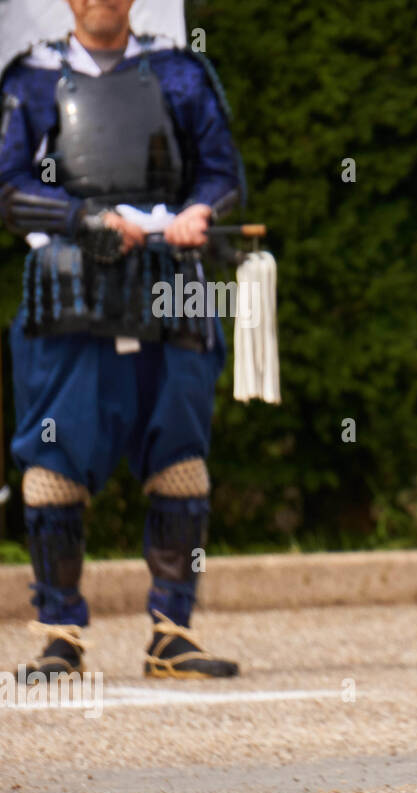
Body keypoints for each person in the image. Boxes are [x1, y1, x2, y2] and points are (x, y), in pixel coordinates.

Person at [0, 0, 244, 680]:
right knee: (51, 463)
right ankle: (59, 634)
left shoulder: (181, 74)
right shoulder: (30, 80)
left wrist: (200, 211)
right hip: (70, 288)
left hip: (174, 282)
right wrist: (84, 217)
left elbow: (223, 174)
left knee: (180, 458)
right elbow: (11, 190)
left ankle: (172, 630)